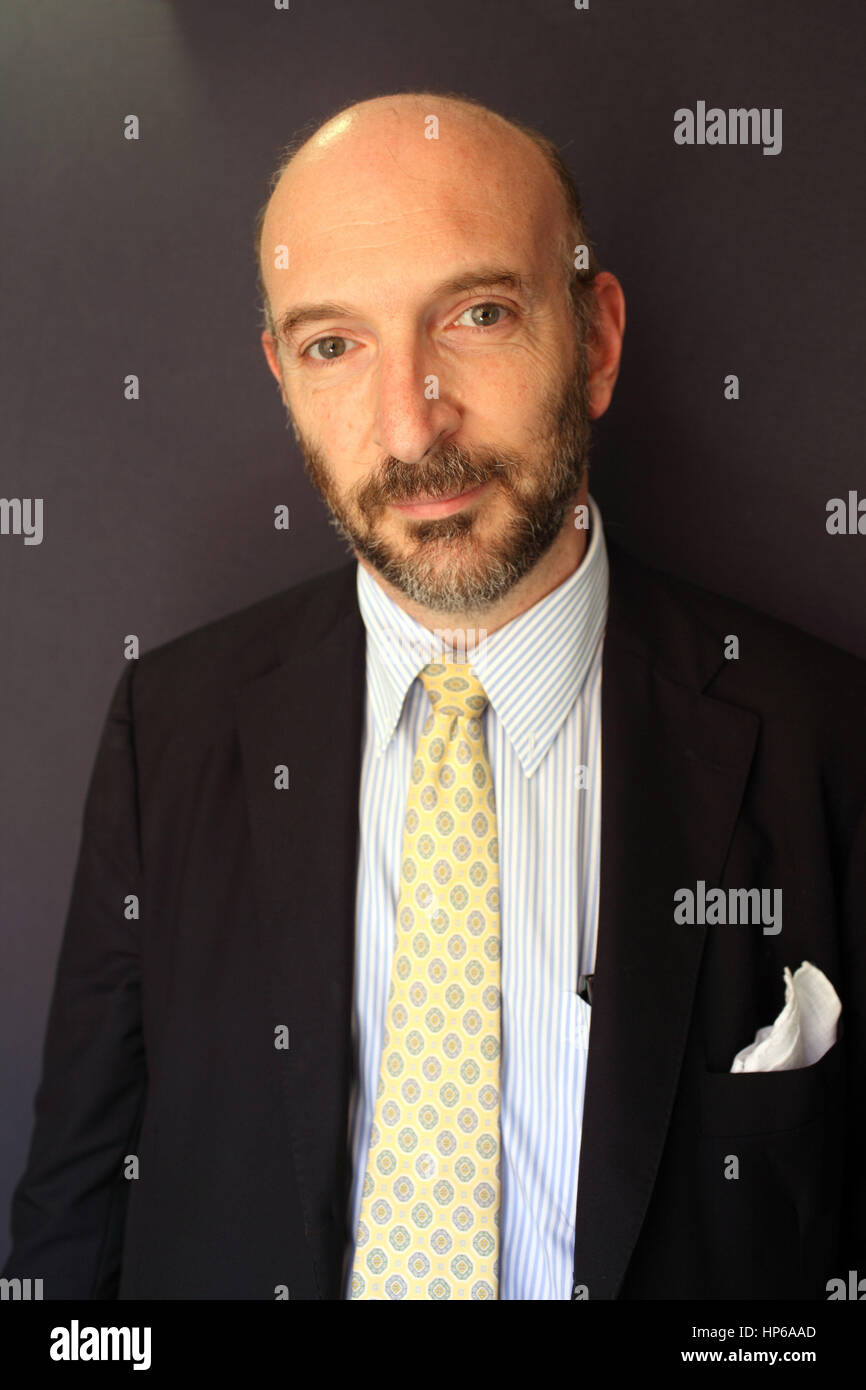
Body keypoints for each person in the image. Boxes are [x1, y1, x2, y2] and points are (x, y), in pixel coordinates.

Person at [4, 89, 865, 1301]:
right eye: (332, 344)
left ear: (597, 340)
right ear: (283, 375)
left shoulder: (826, 738)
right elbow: (74, 1214)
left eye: (476, 313)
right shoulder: (171, 725)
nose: (411, 426)